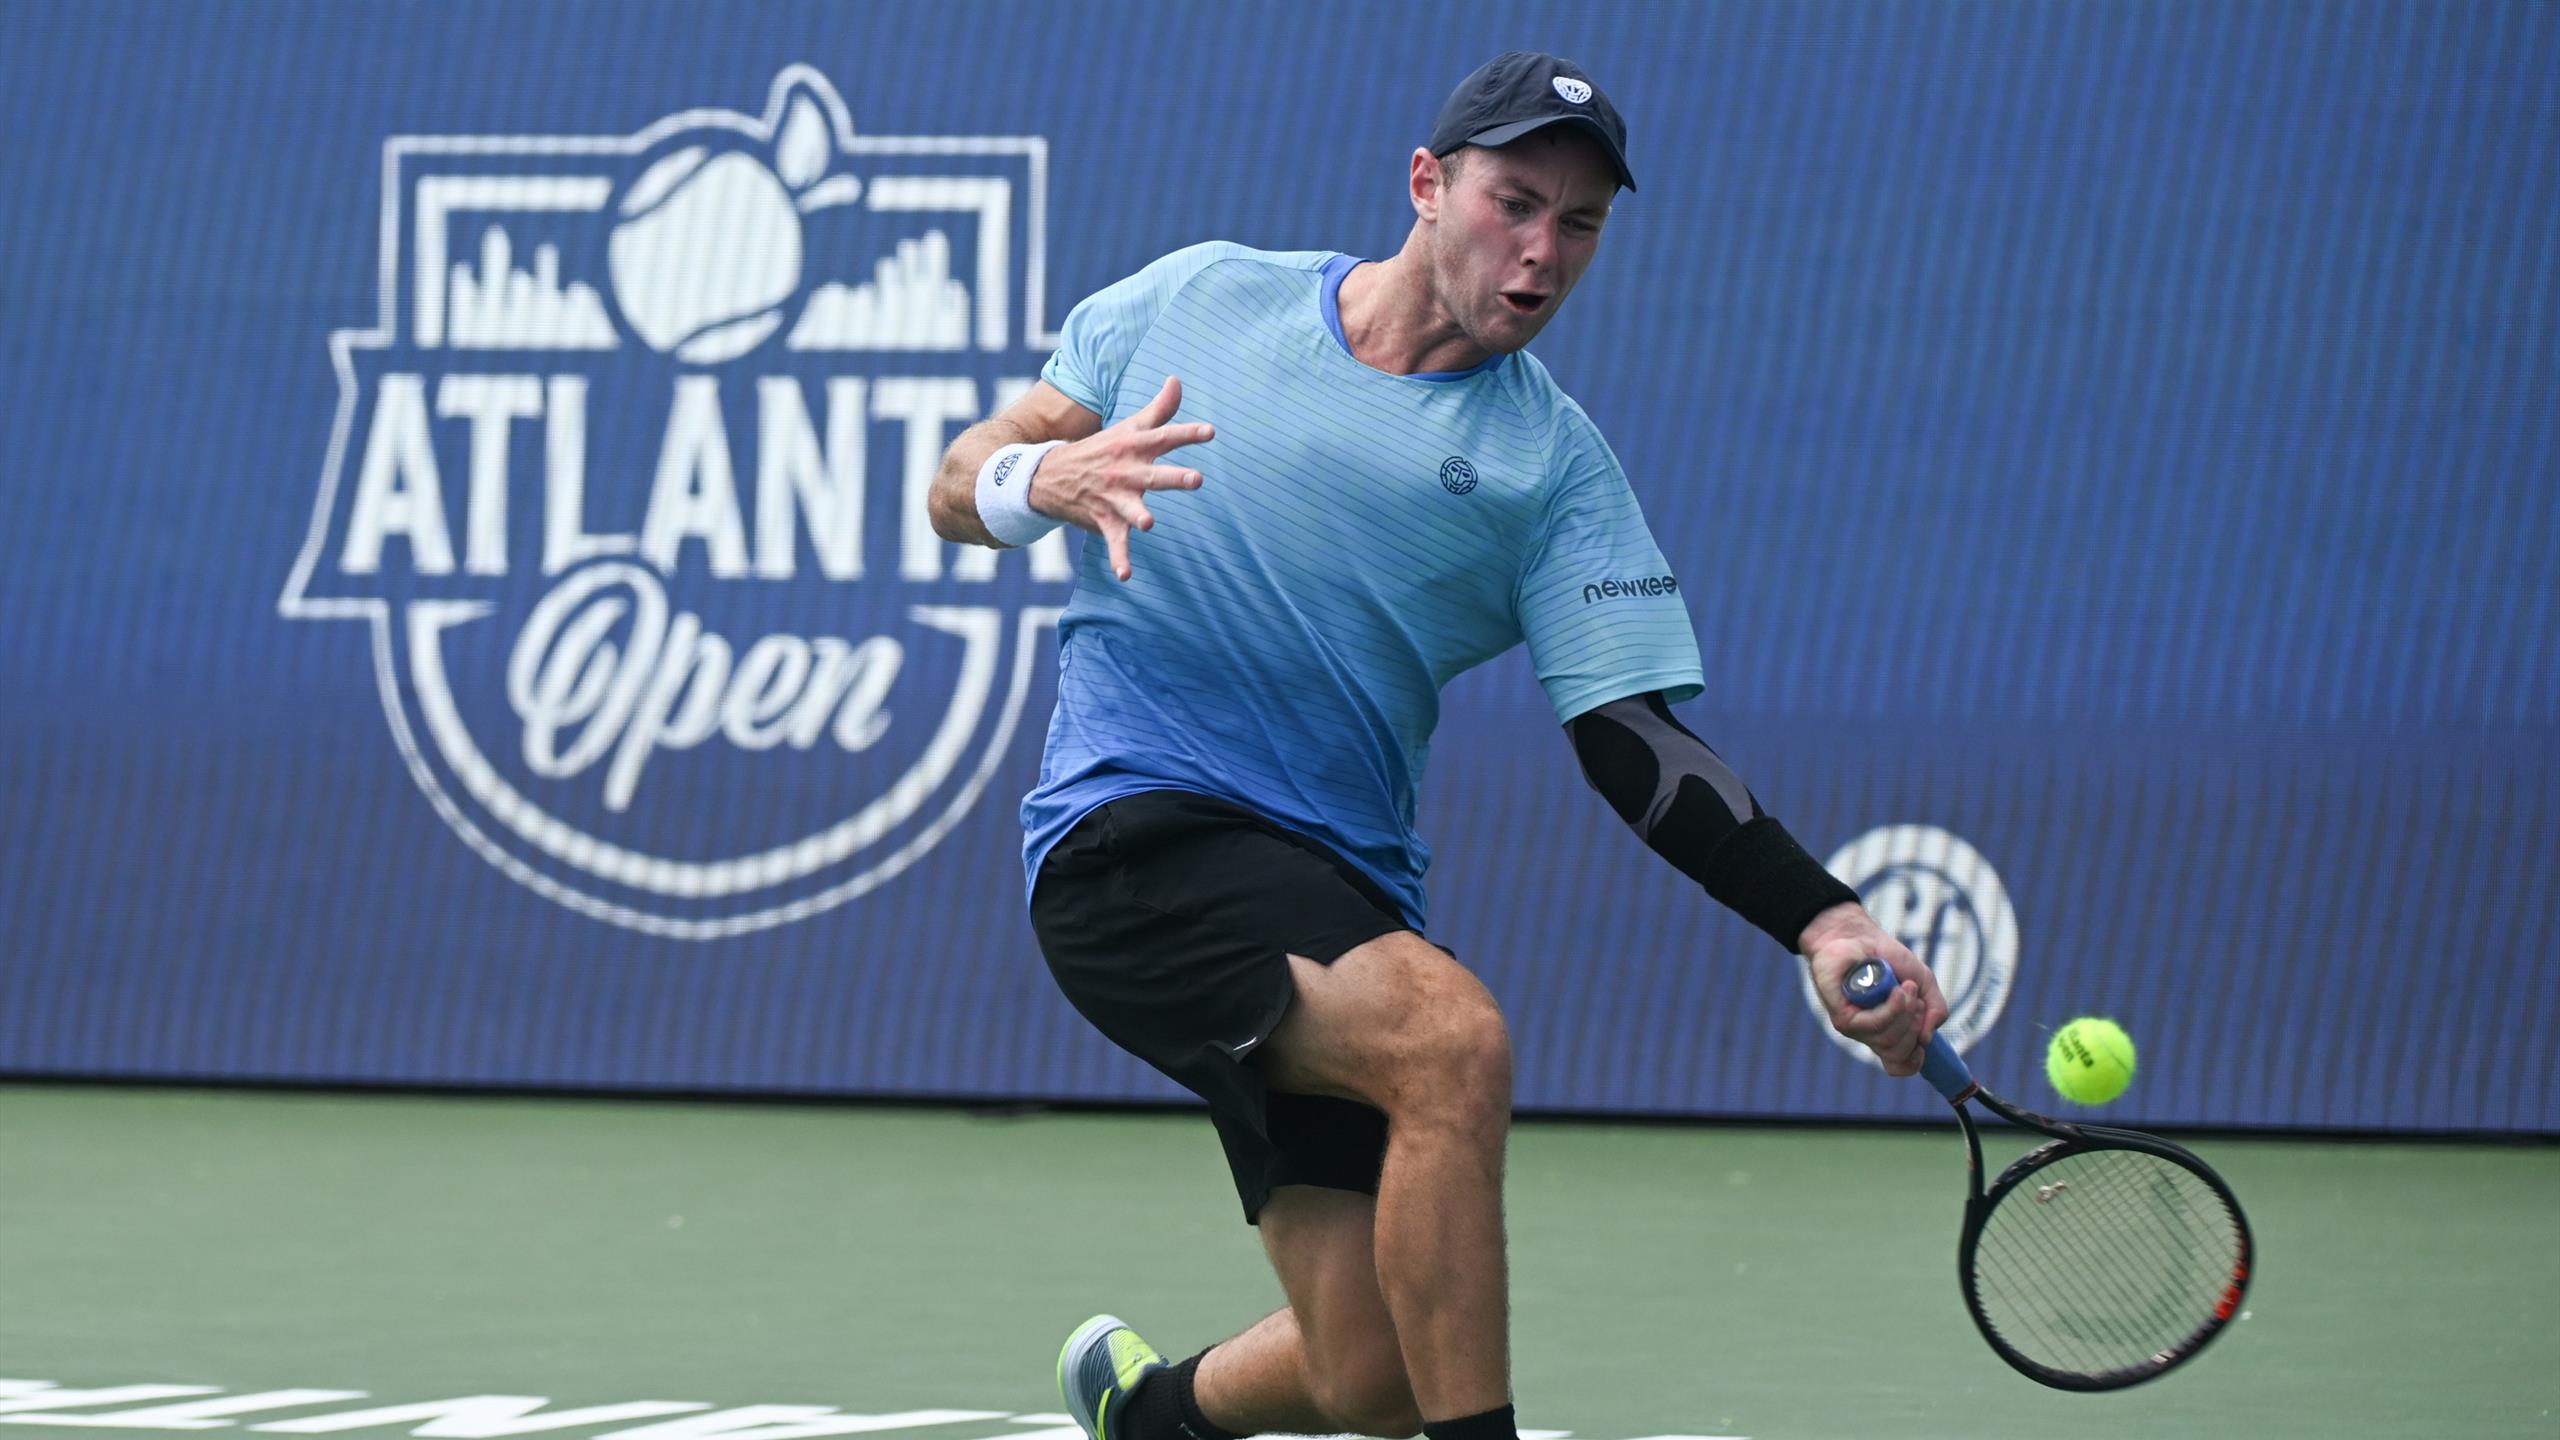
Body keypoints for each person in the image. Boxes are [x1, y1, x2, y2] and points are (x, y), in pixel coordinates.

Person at [928, 50, 1951, 1440]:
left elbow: (1636, 741)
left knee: (1375, 1375)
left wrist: (1821, 919)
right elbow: (954, 484)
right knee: (1452, 1045)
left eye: (1578, 225)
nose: (1540, 255)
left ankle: (1144, 1416)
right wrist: (1033, 475)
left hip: (1340, 892)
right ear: (1428, 184)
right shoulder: (1197, 298)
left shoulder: (1555, 473)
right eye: (1512, 203)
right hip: (1135, 836)